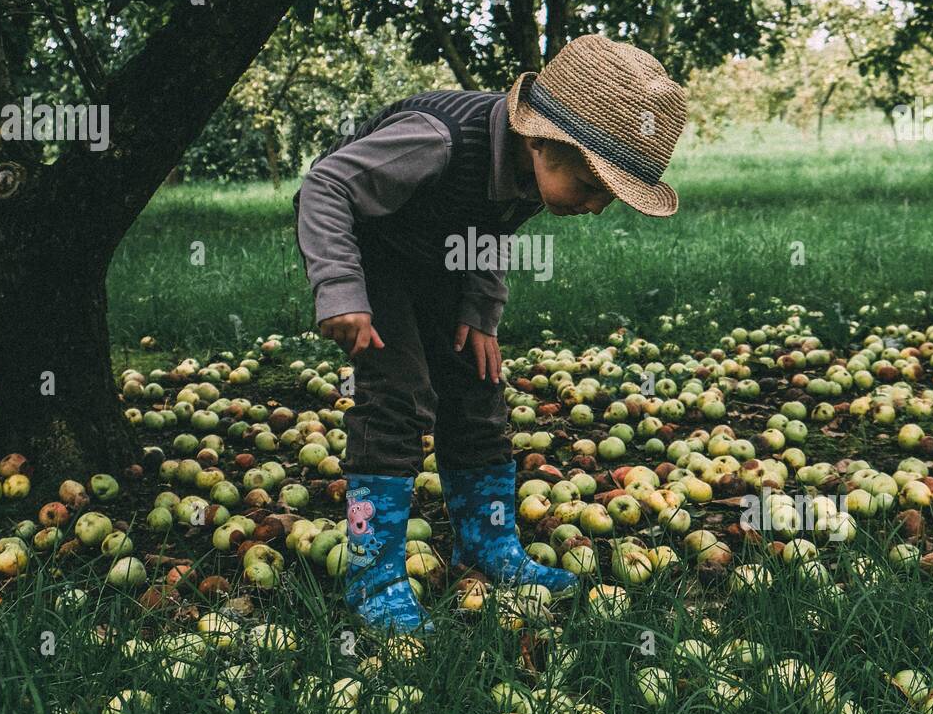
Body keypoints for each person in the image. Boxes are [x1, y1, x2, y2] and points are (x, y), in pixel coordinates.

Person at [293, 33, 687, 635]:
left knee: (477, 390)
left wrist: (480, 310)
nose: (594, 207)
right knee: (397, 398)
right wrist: (342, 291)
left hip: (439, 260)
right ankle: (373, 574)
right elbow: (325, 185)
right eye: (591, 187)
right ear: (540, 140)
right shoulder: (437, 141)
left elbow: (488, 226)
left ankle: (488, 544)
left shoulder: (532, 172)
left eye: (609, 196)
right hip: (370, 254)